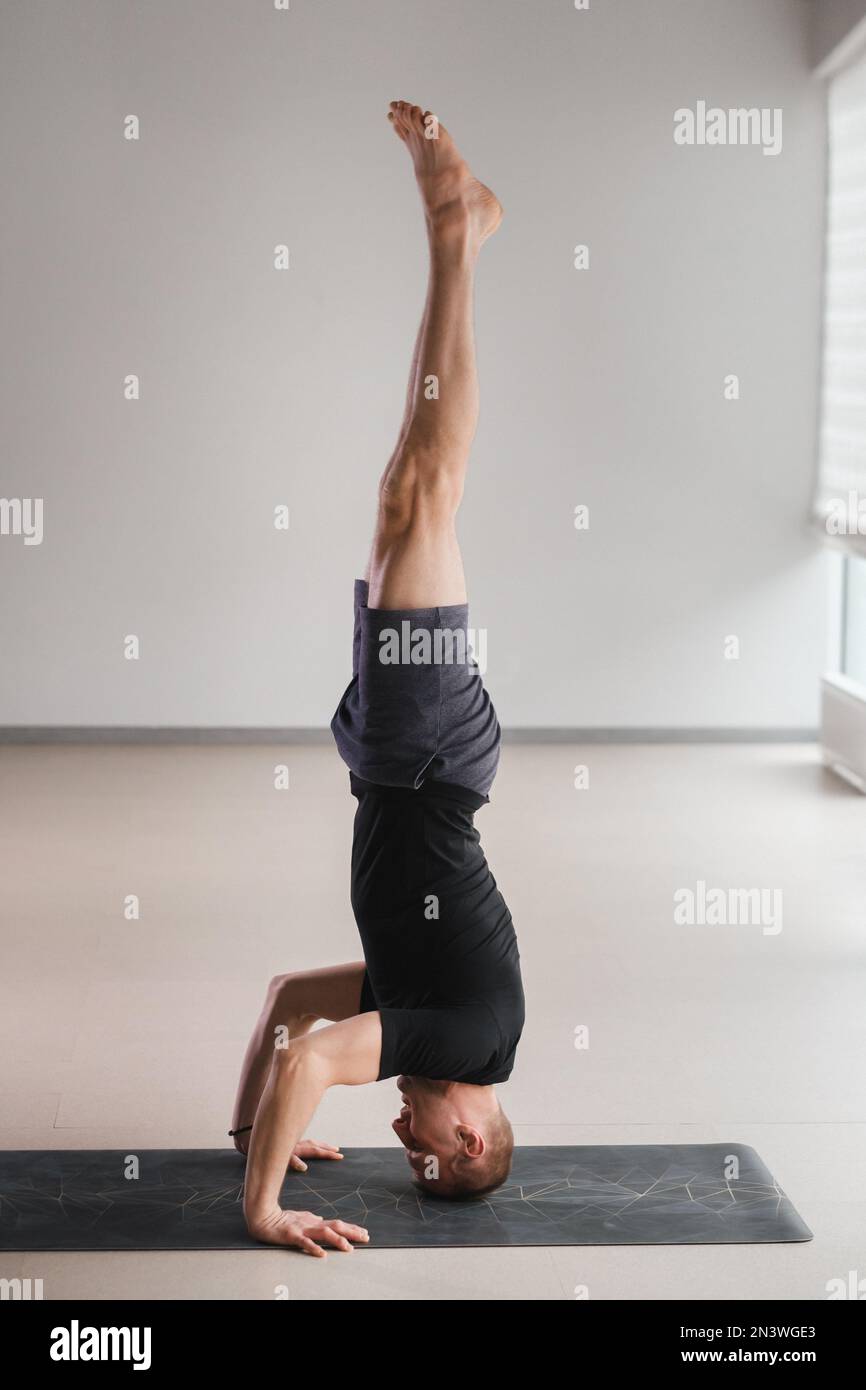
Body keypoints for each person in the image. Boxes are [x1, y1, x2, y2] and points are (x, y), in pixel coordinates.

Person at [231, 101, 524, 1255]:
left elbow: (288, 1011)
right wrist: (261, 1205)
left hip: (398, 757)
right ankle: (457, 231)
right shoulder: (464, 1038)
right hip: (425, 756)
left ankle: (460, 230)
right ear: (465, 1138)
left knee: (409, 488)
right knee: (422, 491)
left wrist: (259, 1120)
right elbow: (320, 1055)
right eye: (421, 1144)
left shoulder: (456, 1027)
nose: (400, 1128)